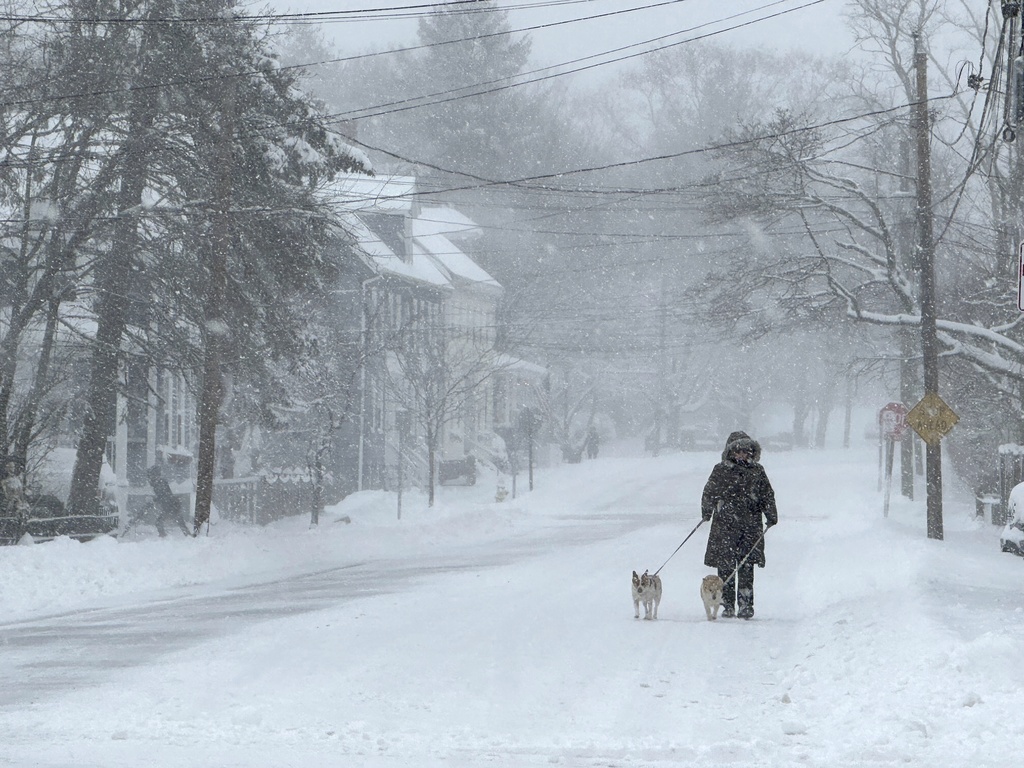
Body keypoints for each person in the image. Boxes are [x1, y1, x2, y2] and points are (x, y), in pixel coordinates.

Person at [701, 431, 778, 619]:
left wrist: (771, 514)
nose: (741, 455)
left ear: (751, 453)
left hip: (750, 526)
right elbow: (709, 491)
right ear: (730, 452)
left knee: (746, 567)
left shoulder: (757, 471)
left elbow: (767, 494)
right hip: (725, 525)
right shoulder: (720, 470)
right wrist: (706, 512)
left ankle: (745, 605)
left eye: (745, 452)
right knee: (725, 566)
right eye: (737, 452)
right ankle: (726, 604)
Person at [147, 465, 192, 537]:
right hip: (171, 505)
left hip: (170, 506)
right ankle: (188, 536)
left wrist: (154, 500)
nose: (150, 478)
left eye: (152, 475)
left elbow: (163, 496)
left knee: (159, 522)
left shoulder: (160, 483)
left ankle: (163, 537)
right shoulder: (159, 483)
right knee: (180, 522)